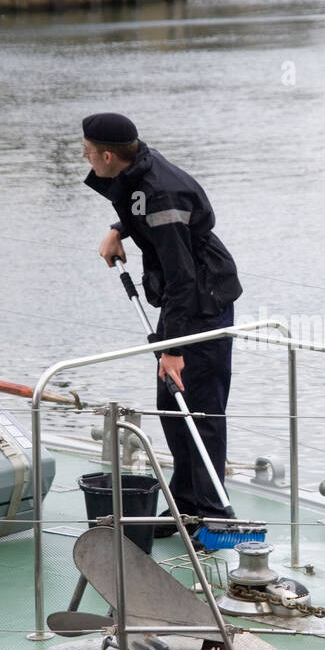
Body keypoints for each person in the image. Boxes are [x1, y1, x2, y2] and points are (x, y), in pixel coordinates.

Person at [83, 113, 242, 538]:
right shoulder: (140, 170)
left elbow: (182, 278)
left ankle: (211, 517)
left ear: (109, 154)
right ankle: (184, 507)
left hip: (201, 305)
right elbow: (135, 202)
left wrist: (173, 349)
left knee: (199, 412)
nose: (84, 156)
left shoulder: (161, 194)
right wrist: (119, 229)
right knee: (173, 408)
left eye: (87, 151)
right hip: (183, 305)